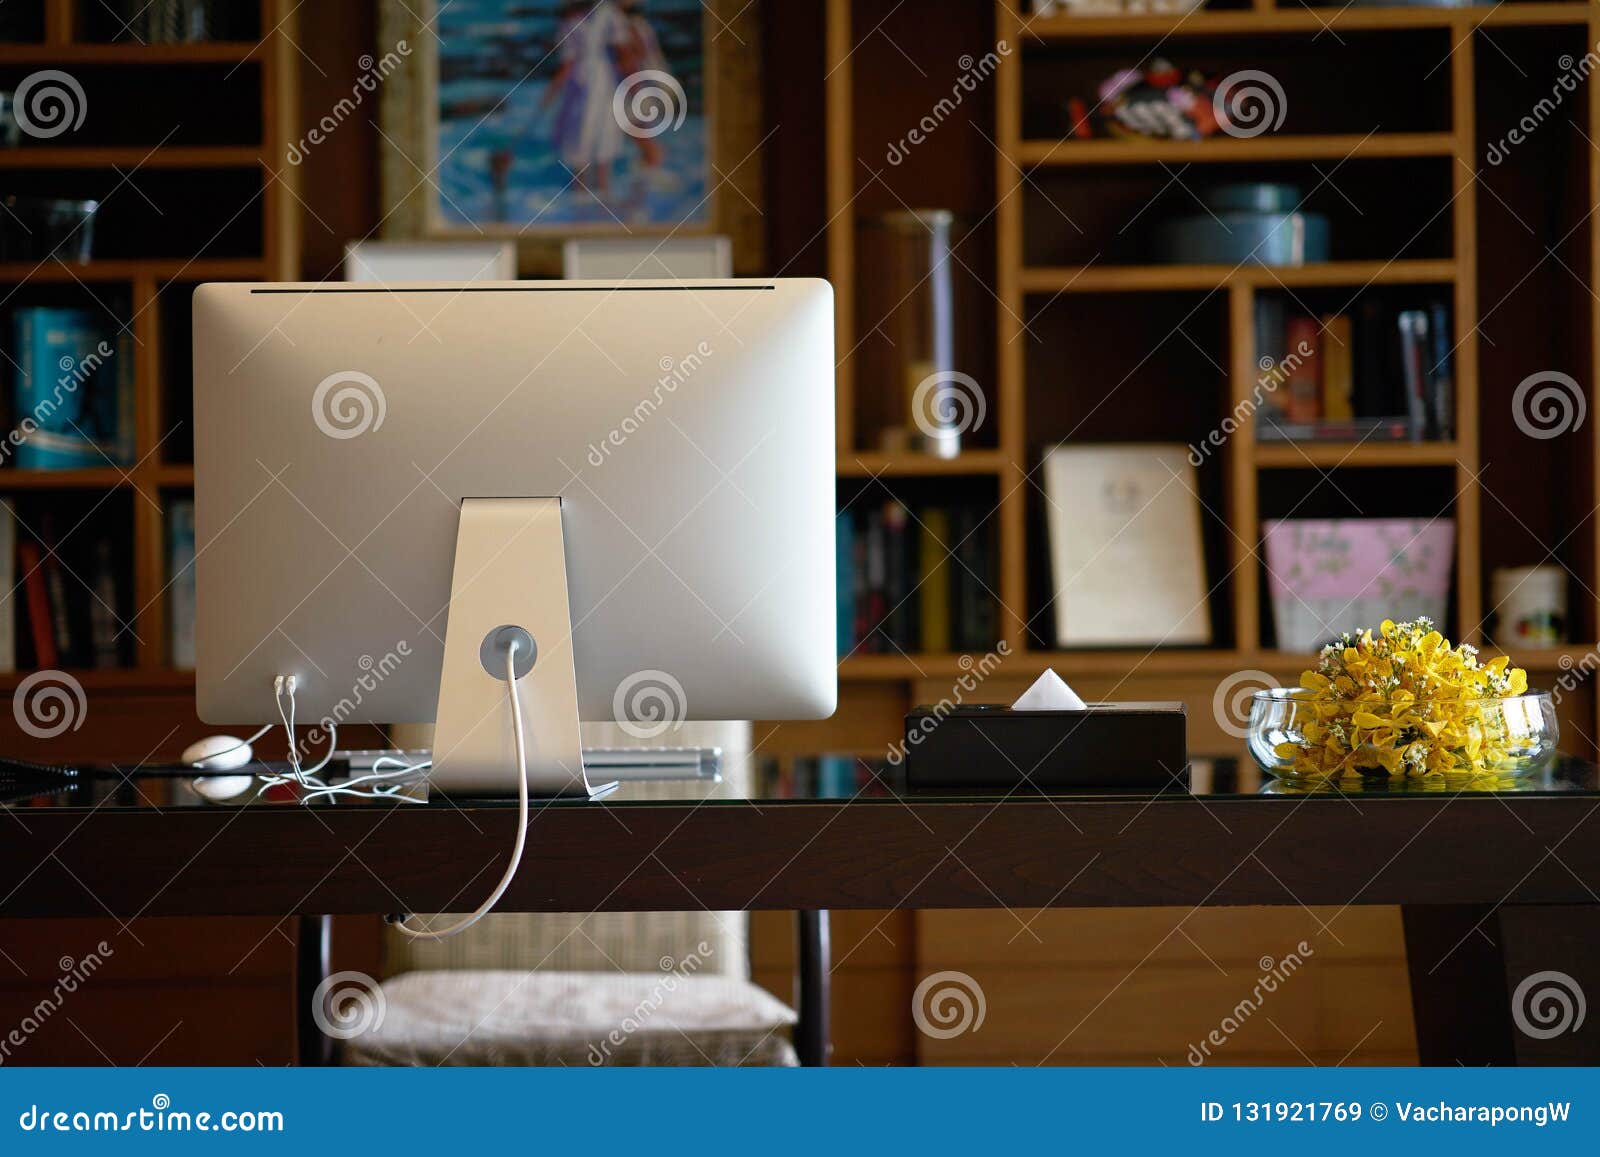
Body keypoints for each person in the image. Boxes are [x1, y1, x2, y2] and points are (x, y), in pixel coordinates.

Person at [541, 0, 626, 199]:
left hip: (600, 82)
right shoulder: (570, 19)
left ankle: (599, 194)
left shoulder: (606, 12)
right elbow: (568, 62)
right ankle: (585, 198)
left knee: (598, 134)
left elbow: (622, 50)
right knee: (583, 134)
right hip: (584, 83)